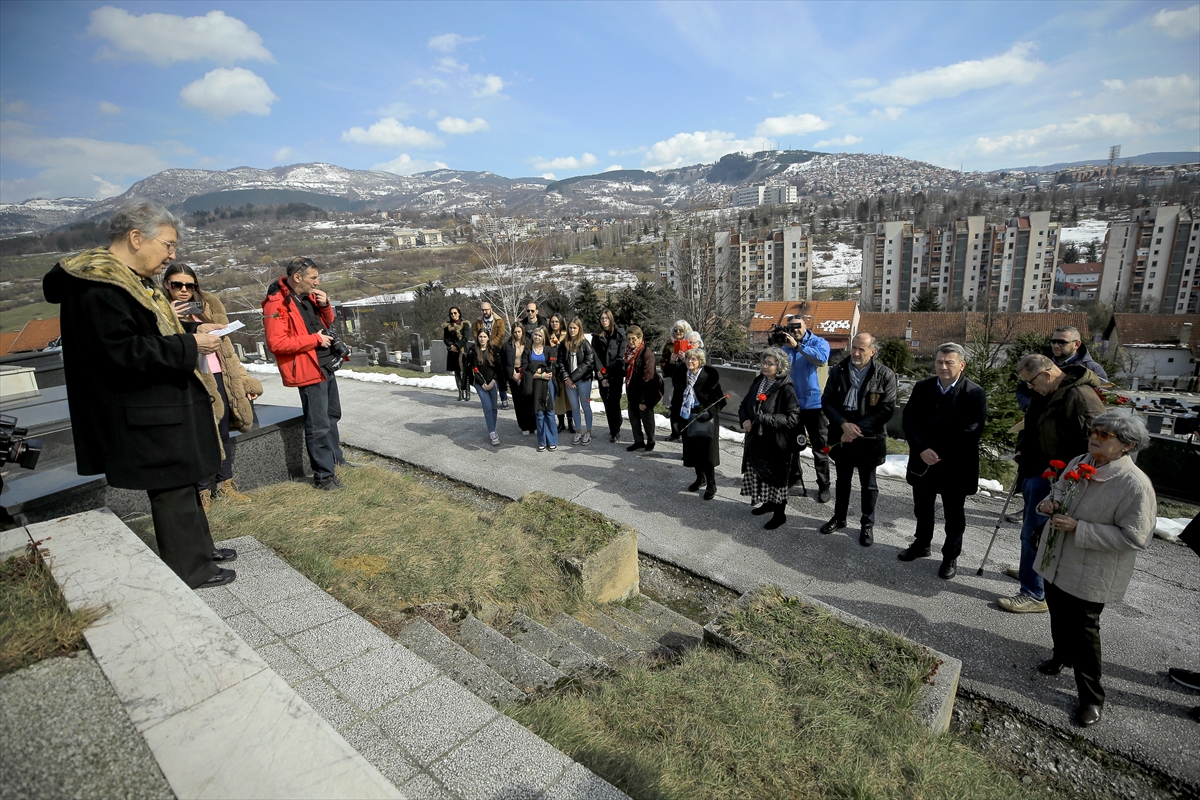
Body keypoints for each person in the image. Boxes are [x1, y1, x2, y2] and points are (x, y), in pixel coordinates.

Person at [42, 200, 235, 588]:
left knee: (185, 480)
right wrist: (189, 347)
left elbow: (147, 338)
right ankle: (190, 569)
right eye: (167, 245)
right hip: (143, 408)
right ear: (135, 237)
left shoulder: (130, 280)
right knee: (171, 488)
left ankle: (202, 551)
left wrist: (187, 337)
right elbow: (120, 353)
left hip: (160, 403)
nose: (172, 256)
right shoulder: (99, 289)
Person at [1033, 411, 1156, 727]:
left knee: (1085, 632)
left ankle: (1091, 698)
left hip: (1091, 569)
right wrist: (1051, 503)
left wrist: (1080, 528)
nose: (1094, 437)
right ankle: (1061, 657)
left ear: (1126, 445)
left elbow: (1136, 537)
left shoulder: (1134, 485)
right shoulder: (1079, 462)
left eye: (1104, 434)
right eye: (1093, 430)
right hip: (1057, 557)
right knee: (1057, 611)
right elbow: (1060, 491)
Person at [1000, 353, 1105, 614]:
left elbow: (1092, 445)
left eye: (1030, 382)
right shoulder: (1046, 391)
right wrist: (1023, 449)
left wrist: (1061, 470)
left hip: (1055, 476)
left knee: (1036, 534)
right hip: (1035, 469)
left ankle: (1034, 593)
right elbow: (1033, 426)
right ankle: (1034, 572)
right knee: (1034, 532)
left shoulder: (1080, 397)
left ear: (1046, 374)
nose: (1029, 388)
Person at [163, 263, 263, 511]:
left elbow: (229, 354)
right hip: (192, 380)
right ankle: (201, 491)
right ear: (167, 285)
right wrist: (171, 316)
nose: (184, 290)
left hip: (220, 376)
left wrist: (243, 381)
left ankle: (226, 484)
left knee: (224, 433)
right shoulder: (162, 314)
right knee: (199, 437)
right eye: (177, 284)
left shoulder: (208, 310)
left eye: (190, 285)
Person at [897, 342, 987, 579]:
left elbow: (972, 431)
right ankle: (922, 544)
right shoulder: (923, 387)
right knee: (922, 508)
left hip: (955, 464)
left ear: (962, 365)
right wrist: (921, 449)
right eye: (939, 362)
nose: (943, 366)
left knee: (954, 515)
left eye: (949, 362)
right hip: (924, 461)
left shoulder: (974, 393)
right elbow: (909, 421)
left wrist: (939, 452)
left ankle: (950, 555)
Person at [263, 257, 347, 491]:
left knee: (331, 416)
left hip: (326, 364)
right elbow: (276, 343)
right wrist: (314, 340)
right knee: (318, 423)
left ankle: (336, 460)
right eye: (313, 278)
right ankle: (324, 477)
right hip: (308, 367)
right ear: (297, 277)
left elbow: (328, 323)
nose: (317, 282)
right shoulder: (275, 303)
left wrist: (325, 305)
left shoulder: (310, 297)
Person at [820, 332, 898, 547]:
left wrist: (856, 429)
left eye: (861, 349)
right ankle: (840, 517)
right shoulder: (838, 371)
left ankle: (867, 523)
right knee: (842, 481)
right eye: (853, 347)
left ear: (872, 352)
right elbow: (826, 402)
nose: (855, 352)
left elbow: (887, 409)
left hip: (869, 439)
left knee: (868, 485)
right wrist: (844, 425)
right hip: (841, 434)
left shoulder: (885, 375)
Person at [739, 347, 800, 530]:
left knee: (775, 479)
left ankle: (779, 514)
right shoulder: (759, 382)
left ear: (779, 366)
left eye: (770, 364)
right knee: (760, 476)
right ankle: (767, 504)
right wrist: (745, 420)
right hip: (757, 440)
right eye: (764, 363)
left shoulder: (786, 388)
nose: (765, 366)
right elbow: (744, 405)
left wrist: (765, 418)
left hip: (776, 444)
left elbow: (793, 418)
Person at [781, 311, 832, 502]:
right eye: (791, 328)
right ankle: (794, 478)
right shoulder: (786, 348)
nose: (795, 331)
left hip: (815, 404)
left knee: (820, 447)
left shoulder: (819, 342)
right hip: (793, 404)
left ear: (805, 326)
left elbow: (821, 359)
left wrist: (799, 346)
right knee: (793, 444)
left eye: (798, 326)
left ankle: (824, 485)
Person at [1017, 326, 1109, 411]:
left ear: (1076, 344)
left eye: (1062, 342)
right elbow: (1023, 389)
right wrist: (1028, 407)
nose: (1056, 345)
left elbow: (1104, 398)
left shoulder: (1091, 368)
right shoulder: (1041, 364)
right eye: (1053, 342)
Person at [677, 348, 725, 500]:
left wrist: (707, 411)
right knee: (693, 451)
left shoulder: (708, 377)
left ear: (700, 362)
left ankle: (712, 483)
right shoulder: (683, 376)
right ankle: (700, 478)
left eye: (694, 359)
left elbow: (720, 401)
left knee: (707, 454)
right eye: (688, 359)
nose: (690, 362)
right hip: (688, 417)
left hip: (706, 419)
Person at [624, 325, 661, 452]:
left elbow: (648, 377)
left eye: (634, 338)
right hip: (632, 389)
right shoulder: (628, 351)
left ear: (640, 338)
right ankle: (638, 441)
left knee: (647, 418)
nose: (631, 341)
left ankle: (651, 441)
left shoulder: (647, 353)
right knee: (634, 418)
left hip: (645, 391)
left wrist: (644, 400)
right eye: (629, 339)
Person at [464, 328, 503, 446]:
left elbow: (498, 369)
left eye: (484, 337)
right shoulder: (473, 351)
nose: (482, 339)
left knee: (494, 408)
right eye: (480, 337)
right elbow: (473, 370)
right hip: (480, 383)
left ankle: (492, 428)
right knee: (487, 406)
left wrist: (493, 381)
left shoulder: (493, 350)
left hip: (492, 381)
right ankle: (492, 432)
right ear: (477, 338)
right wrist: (483, 384)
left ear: (488, 338)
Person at [522, 326, 559, 452]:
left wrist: (537, 369)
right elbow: (525, 368)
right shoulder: (527, 351)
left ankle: (552, 440)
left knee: (549, 412)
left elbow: (552, 368)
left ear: (544, 337)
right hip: (535, 385)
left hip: (548, 384)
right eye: (535, 334)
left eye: (539, 335)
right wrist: (540, 374)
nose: (537, 337)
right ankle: (542, 441)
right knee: (539, 413)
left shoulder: (549, 350)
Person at [560, 317, 596, 445]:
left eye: (575, 328)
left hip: (583, 381)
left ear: (579, 329)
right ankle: (579, 431)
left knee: (585, 406)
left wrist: (573, 378)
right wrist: (566, 377)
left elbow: (589, 362)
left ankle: (588, 431)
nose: (572, 330)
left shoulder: (585, 343)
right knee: (574, 407)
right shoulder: (564, 344)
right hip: (569, 382)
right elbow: (560, 362)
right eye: (570, 328)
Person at [593, 308, 626, 443]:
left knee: (614, 402)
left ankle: (616, 429)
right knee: (607, 403)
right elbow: (594, 357)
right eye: (602, 318)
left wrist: (606, 372)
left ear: (611, 319)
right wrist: (601, 374)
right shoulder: (596, 336)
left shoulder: (619, 334)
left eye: (606, 318)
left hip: (615, 374)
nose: (604, 320)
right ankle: (614, 428)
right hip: (602, 374)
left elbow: (620, 357)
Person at [663, 320, 694, 441]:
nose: (678, 332)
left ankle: (686, 434)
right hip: (674, 380)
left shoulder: (691, 344)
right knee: (674, 407)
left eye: (681, 330)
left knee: (687, 407)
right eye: (675, 330)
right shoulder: (669, 344)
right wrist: (671, 361)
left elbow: (696, 363)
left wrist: (684, 358)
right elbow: (663, 363)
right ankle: (675, 432)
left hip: (688, 382)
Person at [503, 324, 536, 436]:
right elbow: (504, 361)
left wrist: (521, 374)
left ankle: (533, 425)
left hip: (526, 373)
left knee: (529, 399)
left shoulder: (528, 343)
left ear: (523, 331)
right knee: (518, 401)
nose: (517, 334)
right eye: (515, 332)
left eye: (519, 331)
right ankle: (524, 426)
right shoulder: (508, 345)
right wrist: (512, 373)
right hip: (513, 374)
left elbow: (531, 360)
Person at [474, 301, 508, 408]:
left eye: (486, 309)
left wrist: (490, 345)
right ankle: (489, 397)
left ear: (491, 309)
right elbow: (476, 334)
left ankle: (504, 398)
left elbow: (500, 335)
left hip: (496, 350)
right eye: (483, 310)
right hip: (483, 350)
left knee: (499, 373)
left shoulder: (499, 321)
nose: (485, 312)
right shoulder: (479, 322)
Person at [547, 313, 573, 434]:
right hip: (554, 371)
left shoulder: (566, 335)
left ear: (561, 322)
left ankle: (570, 423)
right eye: (552, 322)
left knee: (569, 397)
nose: (554, 324)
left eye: (557, 321)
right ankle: (561, 423)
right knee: (559, 398)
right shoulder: (548, 336)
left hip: (566, 370)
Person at [442, 306, 472, 401]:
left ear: (459, 313)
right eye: (451, 313)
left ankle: (467, 392)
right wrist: (451, 346)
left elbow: (466, 338)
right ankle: (460, 392)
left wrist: (457, 346)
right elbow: (446, 338)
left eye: (455, 313)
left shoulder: (465, 324)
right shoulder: (447, 326)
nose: (453, 315)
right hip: (453, 352)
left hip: (463, 351)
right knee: (457, 372)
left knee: (465, 372)